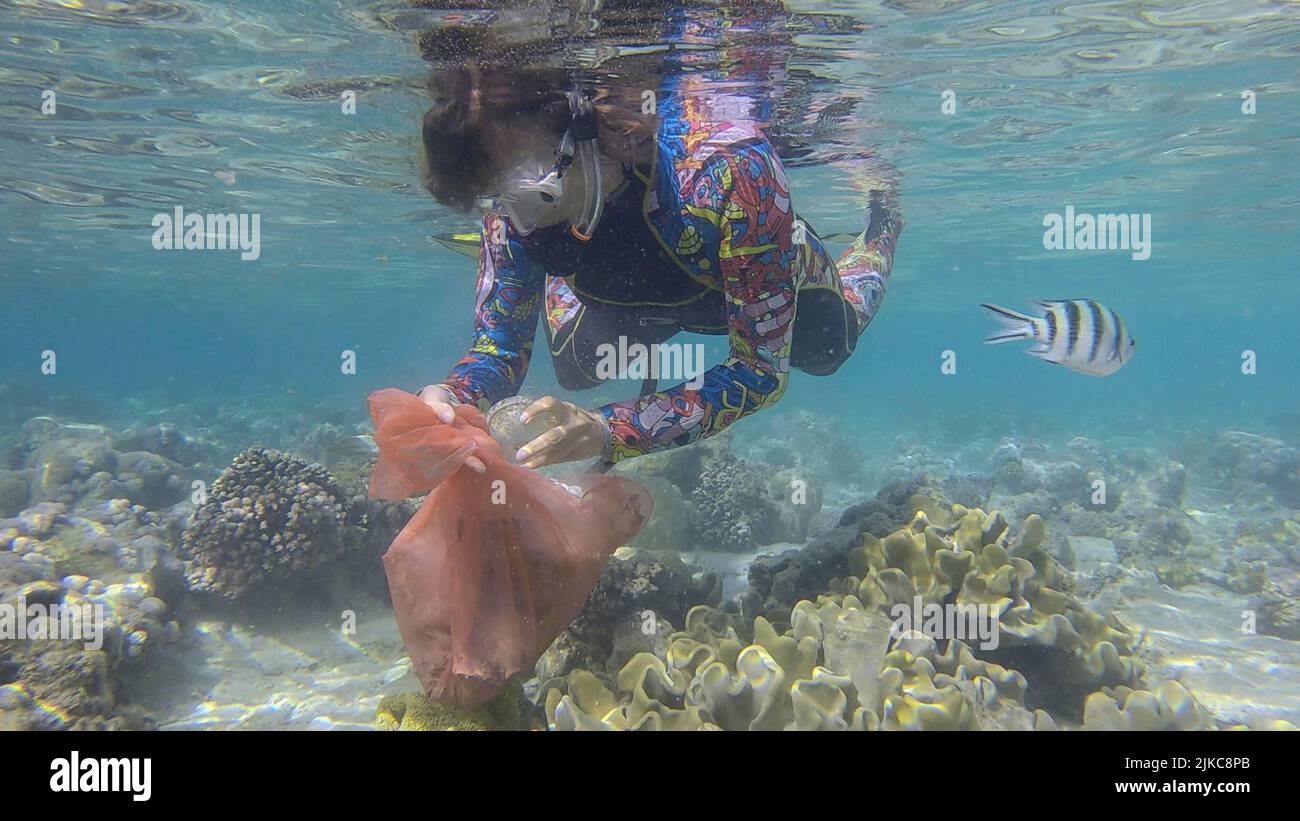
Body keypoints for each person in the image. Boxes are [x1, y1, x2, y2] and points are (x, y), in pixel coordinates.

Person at [415, 64, 901, 473]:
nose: (519, 226)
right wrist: (451, 398)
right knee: (577, 370)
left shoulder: (733, 170)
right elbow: (498, 348)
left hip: (745, 277)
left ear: (588, 140)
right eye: (498, 202)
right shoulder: (515, 208)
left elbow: (759, 371)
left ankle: (883, 226)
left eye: (532, 197)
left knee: (827, 350)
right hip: (630, 299)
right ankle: (611, 311)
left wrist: (609, 430)